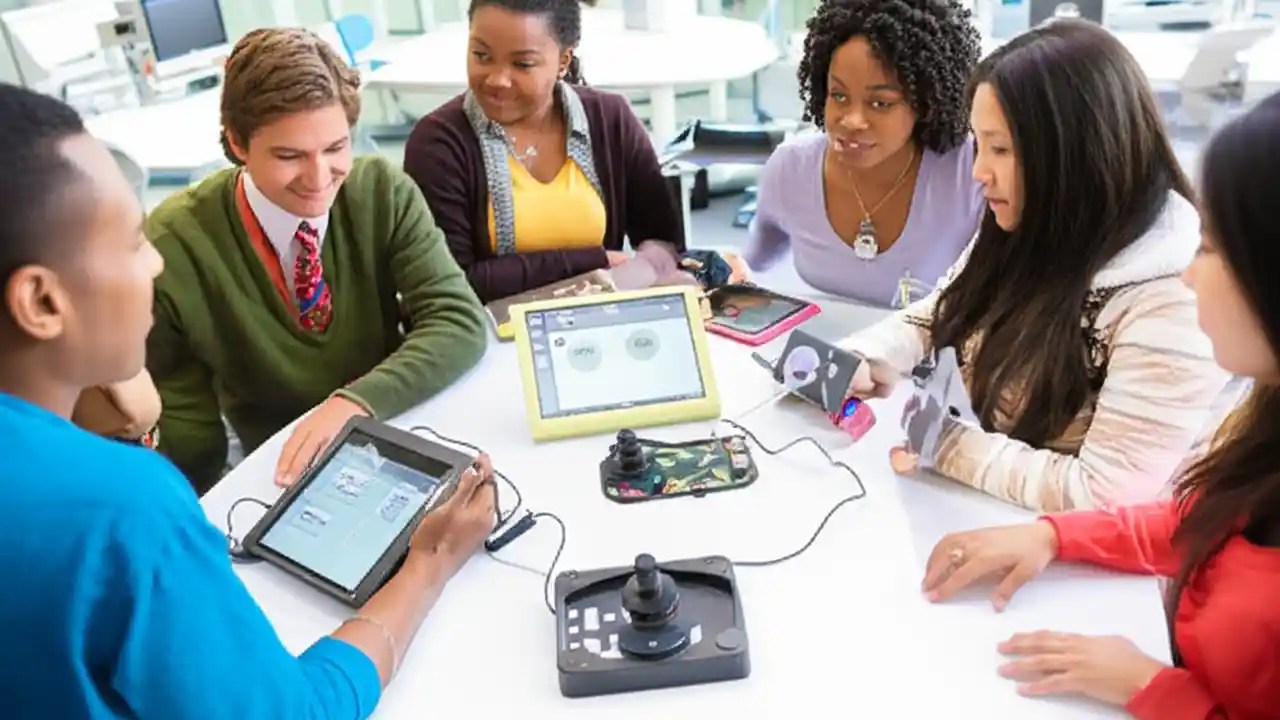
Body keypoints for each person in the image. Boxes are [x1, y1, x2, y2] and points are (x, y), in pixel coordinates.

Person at [0, 81, 497, 719]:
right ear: (42, 301)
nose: (155, 265)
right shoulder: (120, 511)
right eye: (131, 242)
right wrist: (430, 560)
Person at [919, 92, 1280, 720]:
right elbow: (1197, 518)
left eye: (1210, 248)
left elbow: (1105, 486)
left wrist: (1153, 687)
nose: (1189, 275)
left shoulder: (1155, 299)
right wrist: (1053, 534)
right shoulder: (1262, 432)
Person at [842, 19, 1240, 512]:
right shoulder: (1034, 223)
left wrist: (943, 443)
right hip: (1007, 518)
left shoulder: (1172, 297)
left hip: (1094, 551)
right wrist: (868, 355)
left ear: (1076, 153)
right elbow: (948, 307)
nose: (979, 172)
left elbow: (1104, 493)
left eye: (1001, 149)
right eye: (979, 144)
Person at [146, 28, 488, 494]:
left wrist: (352, 404)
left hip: (399, 425)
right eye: (289, 156)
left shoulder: (379, 191)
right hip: (281, 472)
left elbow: (459, 322)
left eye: (336, 148)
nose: (319, 178)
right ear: (238, 143)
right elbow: (186, 425)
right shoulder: (175, 243)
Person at [402, 0, 686, 304]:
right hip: (487, 330)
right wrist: (596, 261)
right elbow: (453, 282)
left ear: (563, 61)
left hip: (603, 322)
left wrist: (651, 264)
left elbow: (664, 242)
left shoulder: (609, 120)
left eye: (522, 64)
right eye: (481, 56)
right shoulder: (438, 143)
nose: (498, 79)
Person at [745, 0, 985, 308]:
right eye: (839, 96)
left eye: (880, 103)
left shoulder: (970, 172)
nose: (852, 121)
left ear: (925, 103)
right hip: (820, 338)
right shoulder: (790, 168)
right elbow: (751, 265)